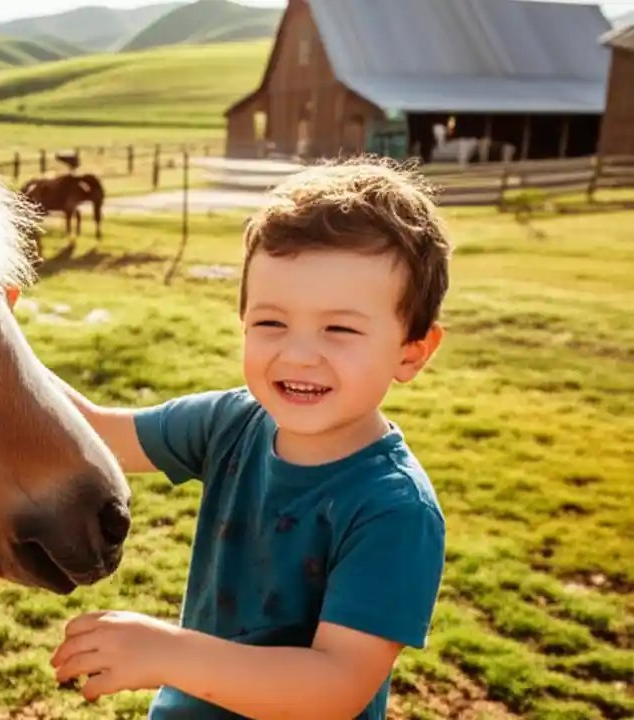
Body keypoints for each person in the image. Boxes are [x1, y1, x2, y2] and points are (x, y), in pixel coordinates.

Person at [46, 158, 451, 719]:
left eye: (339, 328)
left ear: (412, 351)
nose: (298, 353)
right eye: (270, 323)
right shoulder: (230, 423)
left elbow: (335, 688)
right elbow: (95, 434)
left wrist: (167, 653)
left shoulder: (394, 510)